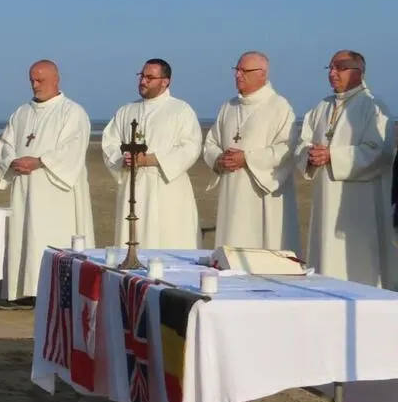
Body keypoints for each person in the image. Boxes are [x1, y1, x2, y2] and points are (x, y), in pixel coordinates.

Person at [0, 59, 95, 309]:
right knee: (24, 235)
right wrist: (12, 161)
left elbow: (73, 148)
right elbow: (5, 144)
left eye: (40, 80)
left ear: (56, 79)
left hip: (55, 190)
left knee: (51, 236)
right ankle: (24, 291)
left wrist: (40, 161)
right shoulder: (21, 113)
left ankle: (52, 291)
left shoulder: (72, 112)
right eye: (32, 80)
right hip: (24, 188)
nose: (34, 85)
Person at [296, 50, 398, 289]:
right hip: (325, 200)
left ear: (358, 72)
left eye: (340, 67)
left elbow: (380, 152)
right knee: (325, 263)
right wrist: (310, 155)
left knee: (358, 271)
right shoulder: (322, 106)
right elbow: (302, 141)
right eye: (330, 67)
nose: (332, 73)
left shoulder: (372, 106)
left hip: (359, 207)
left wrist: (332, 155)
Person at [201, 51, 300, 251]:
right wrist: (219, 158)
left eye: (244, 71)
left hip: (262, 191)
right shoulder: (228, 106)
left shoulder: (279, 107)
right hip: (231, 189)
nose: (238, 75)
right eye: (236, 70)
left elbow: (287, 148)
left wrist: (246, 159)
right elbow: (210, 142)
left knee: (262, 247)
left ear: (262, 74)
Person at [100, 58, 202, 249]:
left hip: (166, 187)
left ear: (165, 81)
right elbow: (109, 142)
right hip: (133, 186)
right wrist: (122, 159)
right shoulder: (126, 110)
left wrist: (151, 160)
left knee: (168, 238)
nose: (143, 81)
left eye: (149, 77)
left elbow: (191, 146)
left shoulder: (180, 110)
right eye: (141, 76)